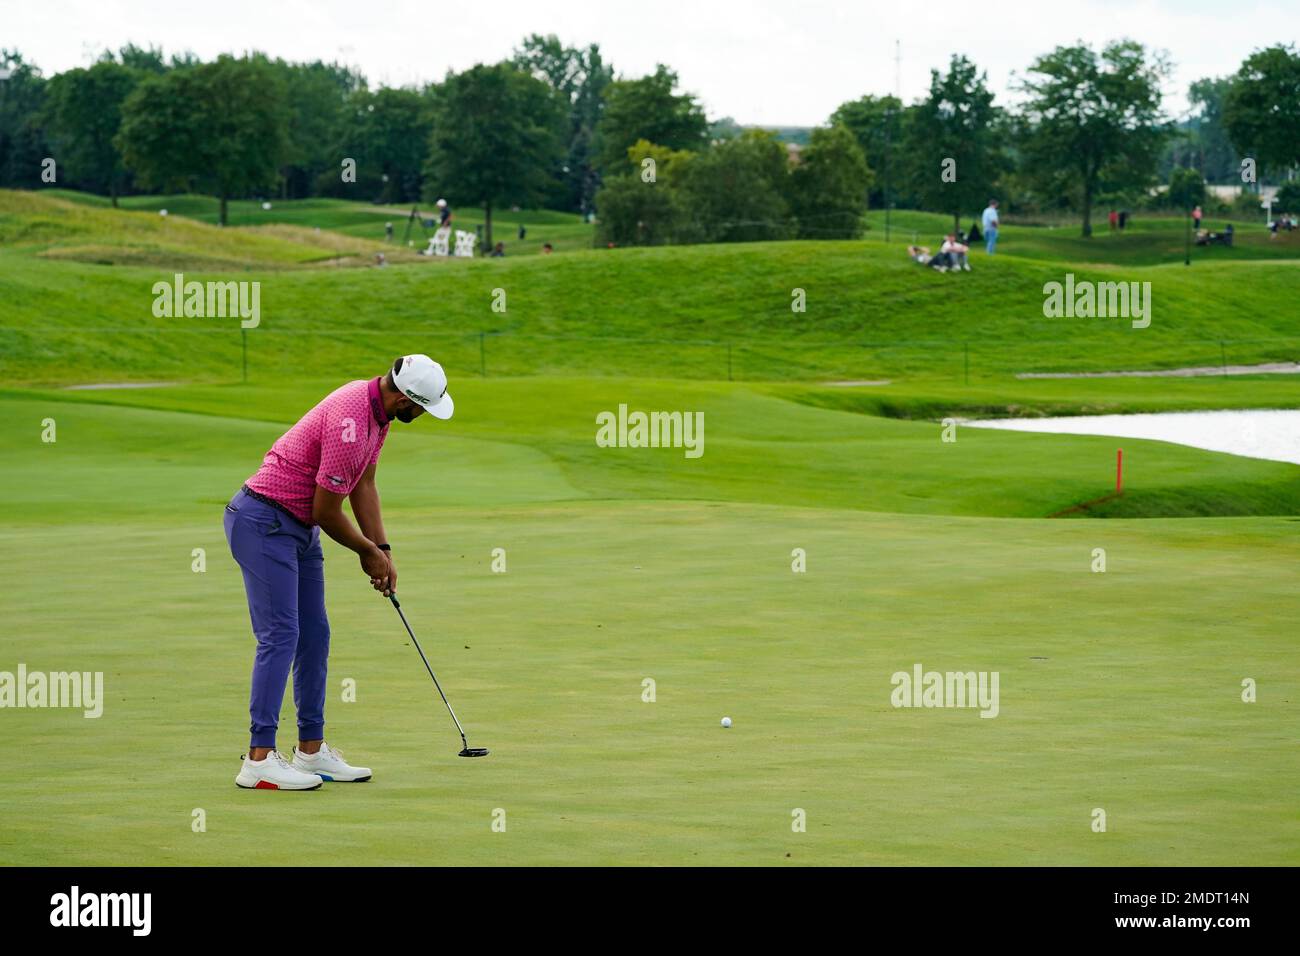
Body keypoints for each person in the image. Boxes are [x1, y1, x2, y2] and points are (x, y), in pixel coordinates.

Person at [226, 355, 455, 791]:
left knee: (315, 633)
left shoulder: (378, 414)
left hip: (298, 527)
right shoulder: (352, 420)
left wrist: (383, 550)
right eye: (422, 407)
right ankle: (258, 760)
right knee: (281, 634)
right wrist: (366, 552)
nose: (423, 415)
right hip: (264, 522)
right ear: (406, 399)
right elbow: (327, 510)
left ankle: (310, 752)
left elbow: (364, 486)